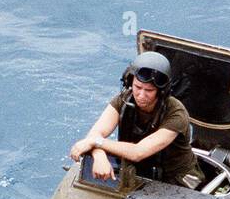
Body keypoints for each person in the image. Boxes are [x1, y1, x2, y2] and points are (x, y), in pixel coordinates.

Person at [68, 51, 204, 189]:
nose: (141, 95)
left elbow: (137, 152)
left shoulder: (176, 114)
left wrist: (95, 142)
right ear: (130, 82)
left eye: (149, 90)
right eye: (137, 87)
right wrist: (99, 155)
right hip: (139, 171)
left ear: (161, 91)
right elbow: (95, 133)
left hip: (175, 180)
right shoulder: (123, 100)